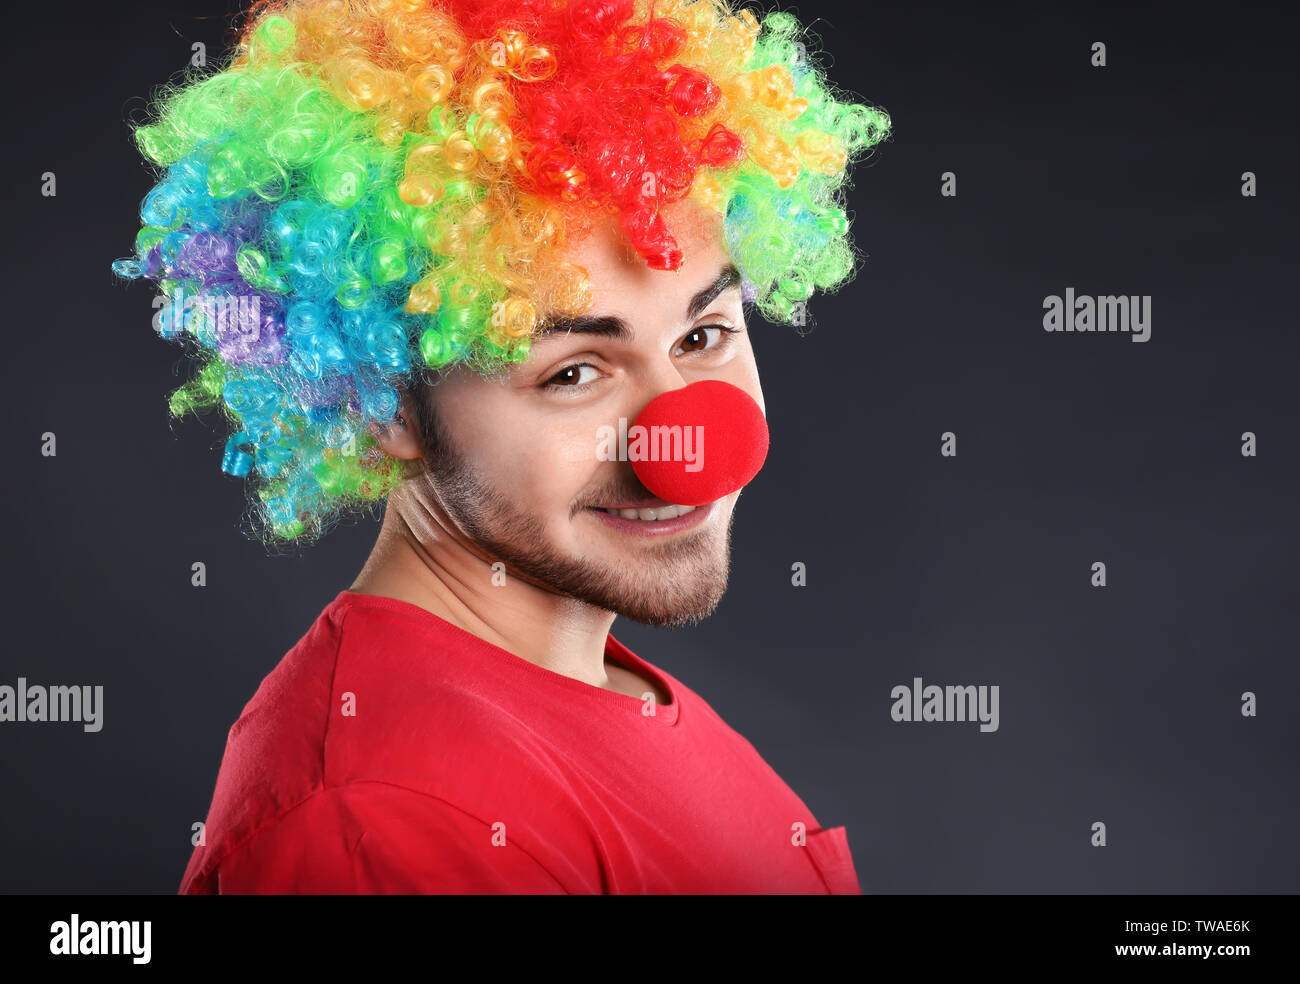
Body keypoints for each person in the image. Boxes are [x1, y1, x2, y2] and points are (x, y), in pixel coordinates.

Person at [113, 0, 889, 893]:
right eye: (572, 373)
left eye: (702, 336)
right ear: (384, 403)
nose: (683, 440)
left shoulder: (599, 688)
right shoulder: (390, 818)